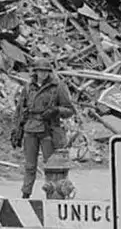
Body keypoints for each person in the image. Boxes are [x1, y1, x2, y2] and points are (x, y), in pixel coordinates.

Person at [11, 58, 75, 199]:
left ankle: (54, 194)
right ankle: (26, 193)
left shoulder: (58, 87)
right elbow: (20, 111)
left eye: (45, 71)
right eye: (40, 71)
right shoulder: (28, 88)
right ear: (35, 71)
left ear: (49, 72)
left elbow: (70, 110)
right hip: (30, 129)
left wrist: (56, 110)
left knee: (52, 167)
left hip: (48, 130)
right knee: (29, 166)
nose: (43, 74)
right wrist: (16, 131)